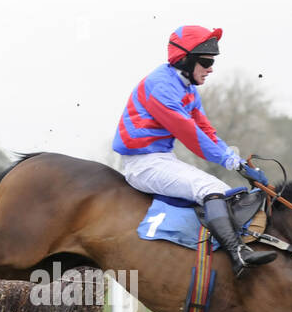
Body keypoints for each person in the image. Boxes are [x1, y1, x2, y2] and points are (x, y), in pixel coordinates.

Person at [112, 25, 275, 276]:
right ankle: (237, 254)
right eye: (206, 61)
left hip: (163, 158)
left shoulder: (187, 88)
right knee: (210, 189)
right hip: (143, 164)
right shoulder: (161, 86)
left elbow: (207, 132)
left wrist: (239, 161)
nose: (211, 68)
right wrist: (233, 164)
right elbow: (191, 135)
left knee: (222, 192)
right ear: (185, 59)